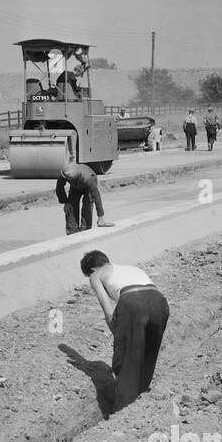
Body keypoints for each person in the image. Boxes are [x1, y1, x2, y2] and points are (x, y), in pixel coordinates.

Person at [81, 250, 169, 411]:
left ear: (92, 270)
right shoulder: (131, 269)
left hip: (132, 301)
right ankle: (140, 400)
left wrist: (121, 338)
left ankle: (123, 408)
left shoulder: (96, 275)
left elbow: (108, 311)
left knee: (126, 359)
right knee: (147, 356)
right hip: (160, 303)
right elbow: (150, 292)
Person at [56, 160, 107, 233]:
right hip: (75, 186)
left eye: (69, 179)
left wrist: (101, 217)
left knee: (87, 207)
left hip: (87, 187)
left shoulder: (88, 178)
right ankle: (72, 232)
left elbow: (96, 196)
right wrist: (66, 202)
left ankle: (85, 231)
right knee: (70, 207)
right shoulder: (65, 173)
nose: (67, 180)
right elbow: (59, 187)